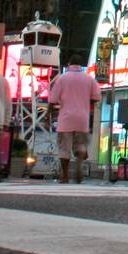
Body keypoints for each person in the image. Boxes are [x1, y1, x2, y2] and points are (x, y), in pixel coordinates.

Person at [49, 56, 101, 184]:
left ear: (69, 64)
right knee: (81, 145)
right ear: (80, 65)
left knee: (64, 147)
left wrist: (47, 114)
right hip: (82, 117)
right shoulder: (89, 79)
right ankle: (79, 164)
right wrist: (84, 100)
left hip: (65, 118)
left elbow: (52, 100)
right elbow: (96, 97)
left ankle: (65, 175)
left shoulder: (62, 78)